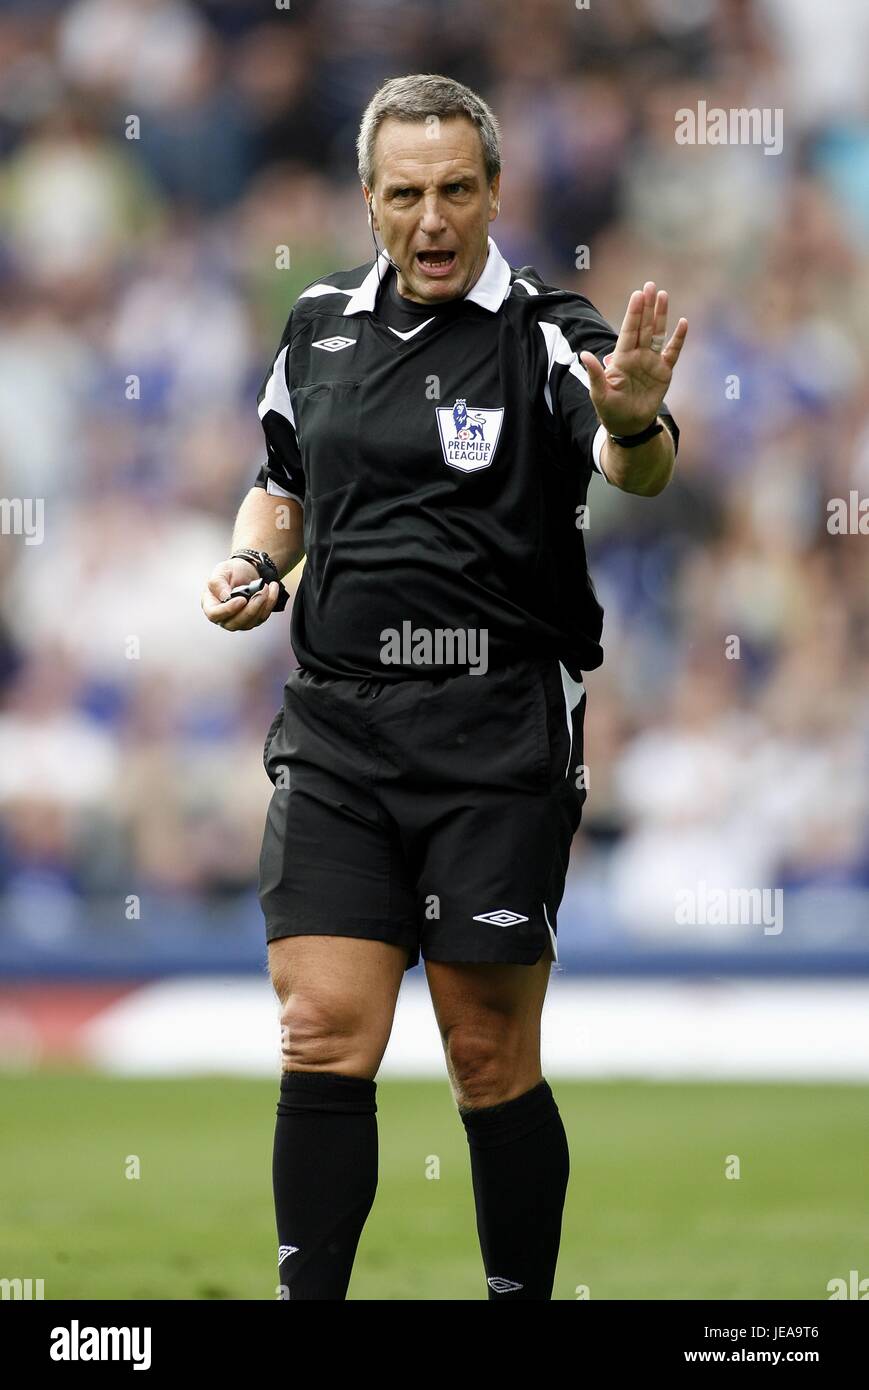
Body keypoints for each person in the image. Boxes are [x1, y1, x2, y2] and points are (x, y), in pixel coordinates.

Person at [200, 73, 686, 1301]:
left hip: (496, 736)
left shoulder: (545, 329)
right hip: (338, 734)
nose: (431, 219)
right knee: (320, 1028)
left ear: (494, 192)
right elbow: (284, 478)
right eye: (405, 193)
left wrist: (634, 423)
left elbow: (636, 467)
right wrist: (258, 556)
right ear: (367, 198)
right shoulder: (313, 327)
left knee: (484, 1047)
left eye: (455, 190)